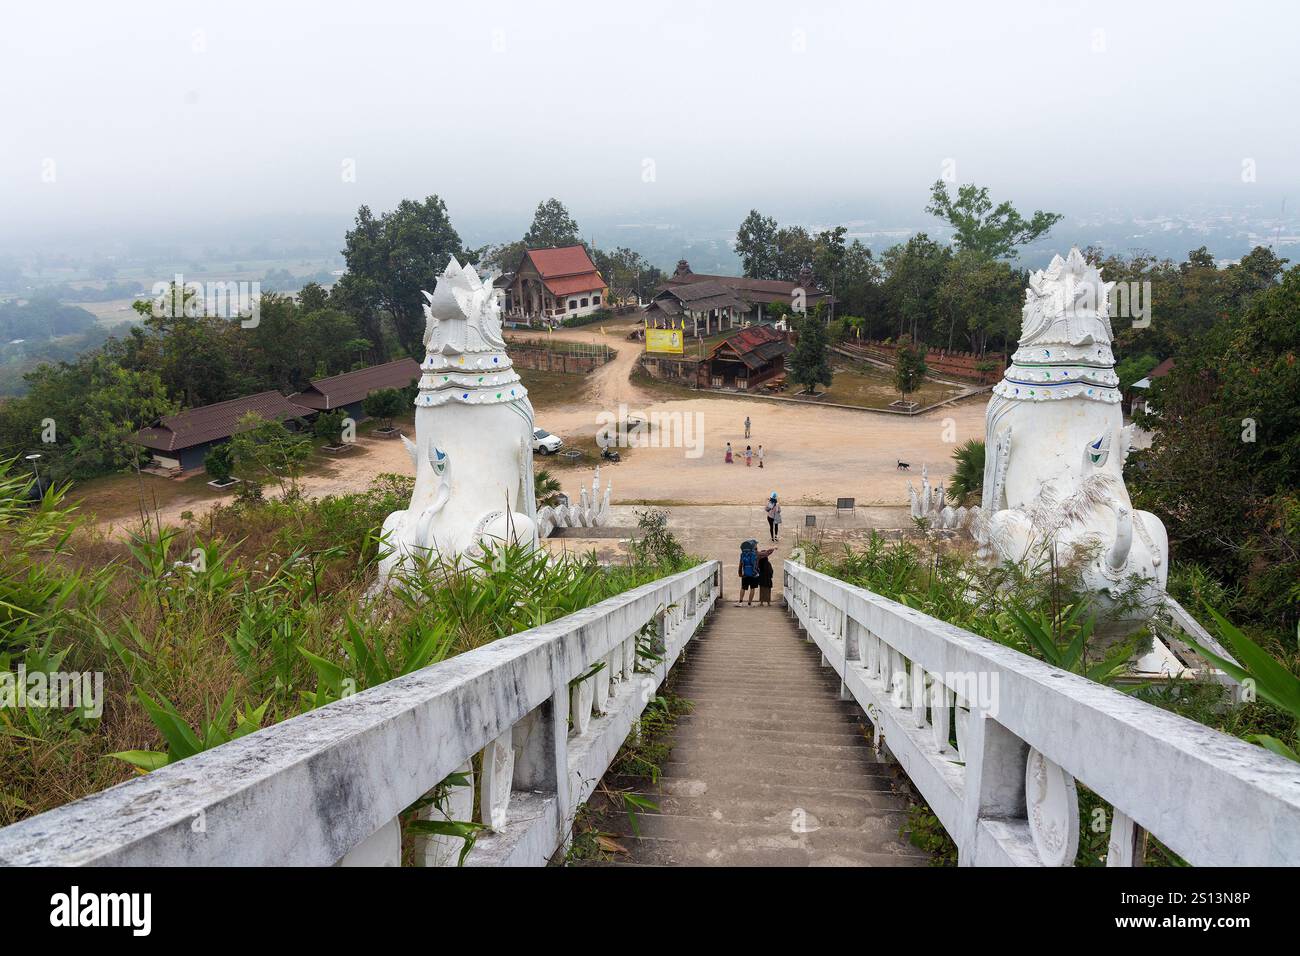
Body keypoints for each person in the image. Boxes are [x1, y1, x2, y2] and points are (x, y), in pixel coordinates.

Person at [737, 539, 760, 607]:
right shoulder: (754, 553)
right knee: (752, 588)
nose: (756, 545)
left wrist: (740, 573)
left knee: (743, 588)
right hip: (753, 574)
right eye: (756, 544)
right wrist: (755, 572)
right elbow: (754, 564)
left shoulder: (742, 554)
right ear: (753, 546)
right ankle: (749, 603)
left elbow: (740, 564)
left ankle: (740, 602)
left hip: (745, 573)